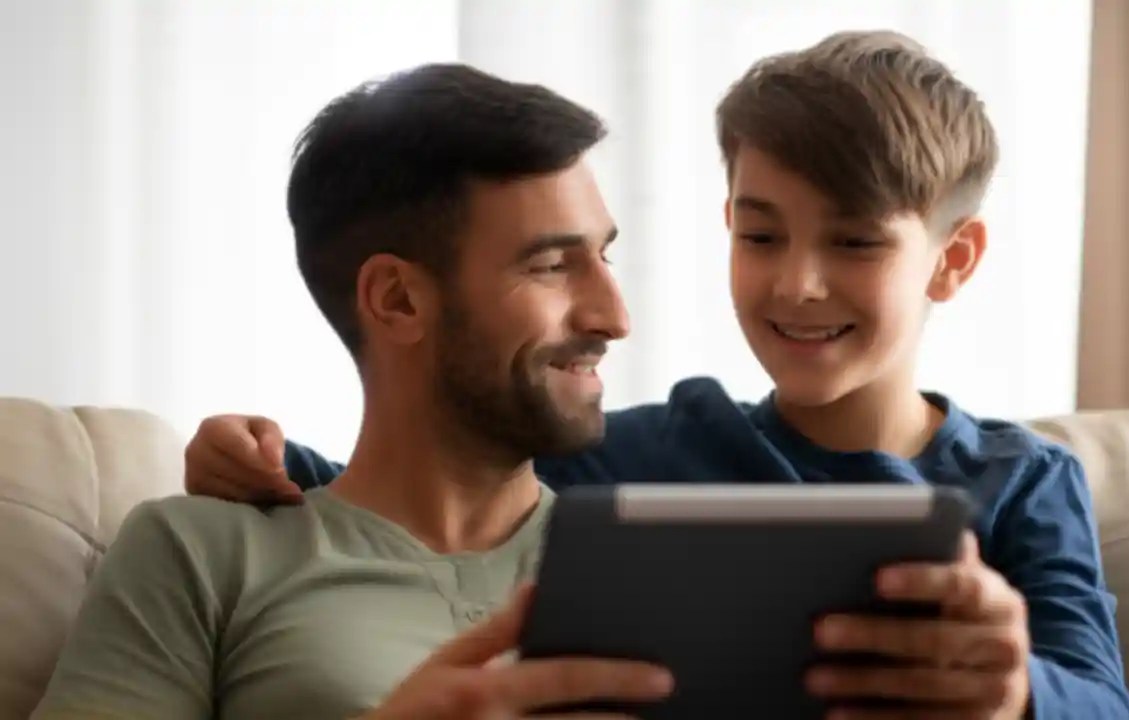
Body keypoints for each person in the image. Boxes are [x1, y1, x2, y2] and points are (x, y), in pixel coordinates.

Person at [185, 31, 1129, 719]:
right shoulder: (648, 451)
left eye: (854, 241)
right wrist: (271, 463)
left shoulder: (1021, 481)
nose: (797, 284)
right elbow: (444, 486)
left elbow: (1105, 699)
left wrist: (1017, 690)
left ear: (953, 259)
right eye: (760, 233)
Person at [33, 63, 676, 719]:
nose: (614, 317)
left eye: (604, 257)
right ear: (397, 300)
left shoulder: (662, 579)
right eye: (551, 266)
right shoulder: (201, 554)